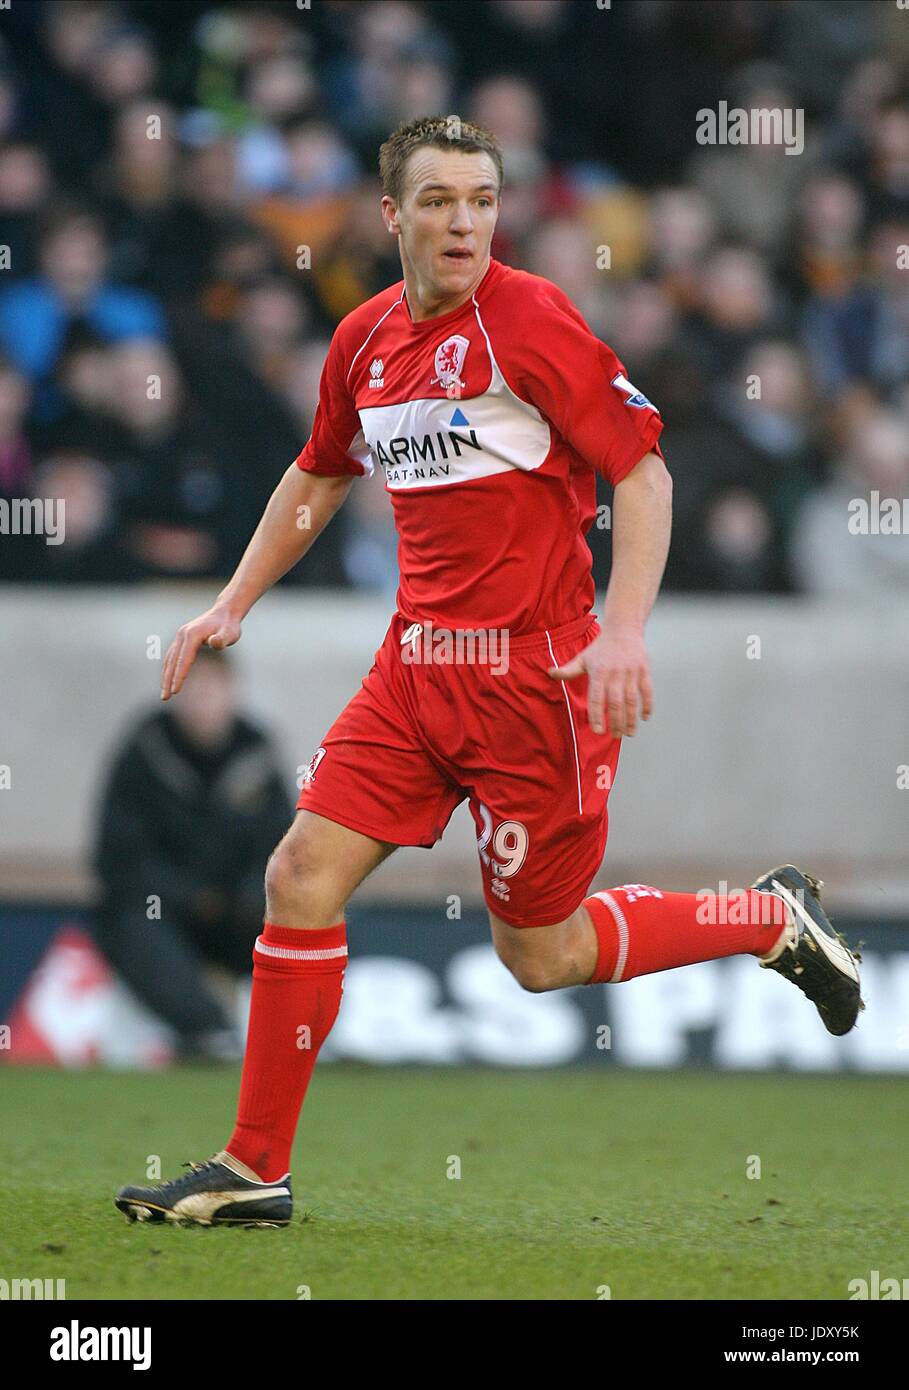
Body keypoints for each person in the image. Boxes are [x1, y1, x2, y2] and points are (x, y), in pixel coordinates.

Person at [114, 116, 862, 1229]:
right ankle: (254, 1167)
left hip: (536, 692)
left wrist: (623, 630)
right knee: (298, 877)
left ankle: (762, 919)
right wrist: (231, 600)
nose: (463, 221)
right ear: (392, 216)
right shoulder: (364, 340)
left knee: (540, 956)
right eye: (438, 200)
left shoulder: (530, 323)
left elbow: (643, 474)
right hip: (415, 674)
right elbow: (318, 476)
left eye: (481, 199)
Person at [94, 644, 293, 1060]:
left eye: (214, 687)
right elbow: (118, 857)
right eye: (194, 687)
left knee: (302, 920)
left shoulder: (256, 752)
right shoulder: (145, 751)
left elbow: (282, 848)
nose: (204, 699)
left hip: (238, 912)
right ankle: (209, 1031)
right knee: (135, 925)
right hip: (164, 911)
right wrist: (190, 897)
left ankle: (300, 1032)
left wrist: (244, 897)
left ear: (232, 691)